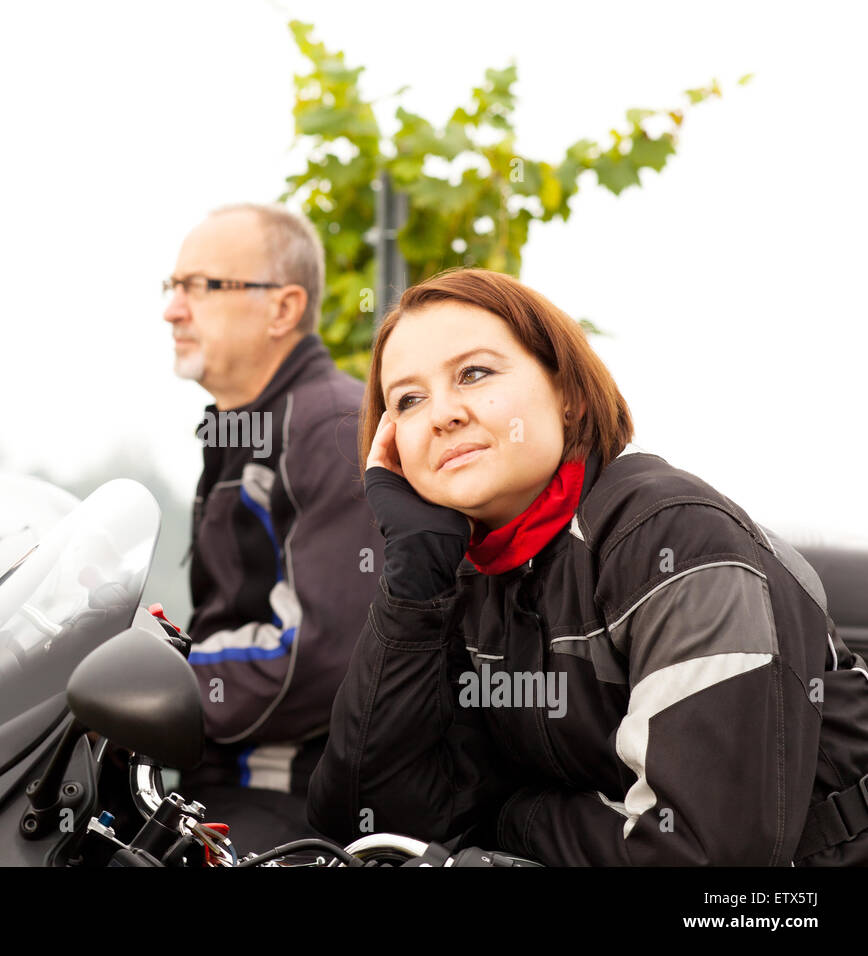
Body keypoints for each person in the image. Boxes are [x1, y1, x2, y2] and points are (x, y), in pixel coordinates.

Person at [306, 267, 868, 865]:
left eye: (474, 374)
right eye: (409, 400)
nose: (442, 414)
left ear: (568, 397)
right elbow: (366, 827)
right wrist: (415, 574)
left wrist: (512, 822)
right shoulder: (464, 573)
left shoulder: (676, 540)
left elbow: (700, 856)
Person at [163, 202, 385, 852]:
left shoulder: (328, 427)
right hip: (220, 784)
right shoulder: (250, 429)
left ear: (283, 309)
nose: (172, 309)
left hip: (294, 805)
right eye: (170, 287)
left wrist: (161, 682)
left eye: (200, 286)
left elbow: (318, 655)